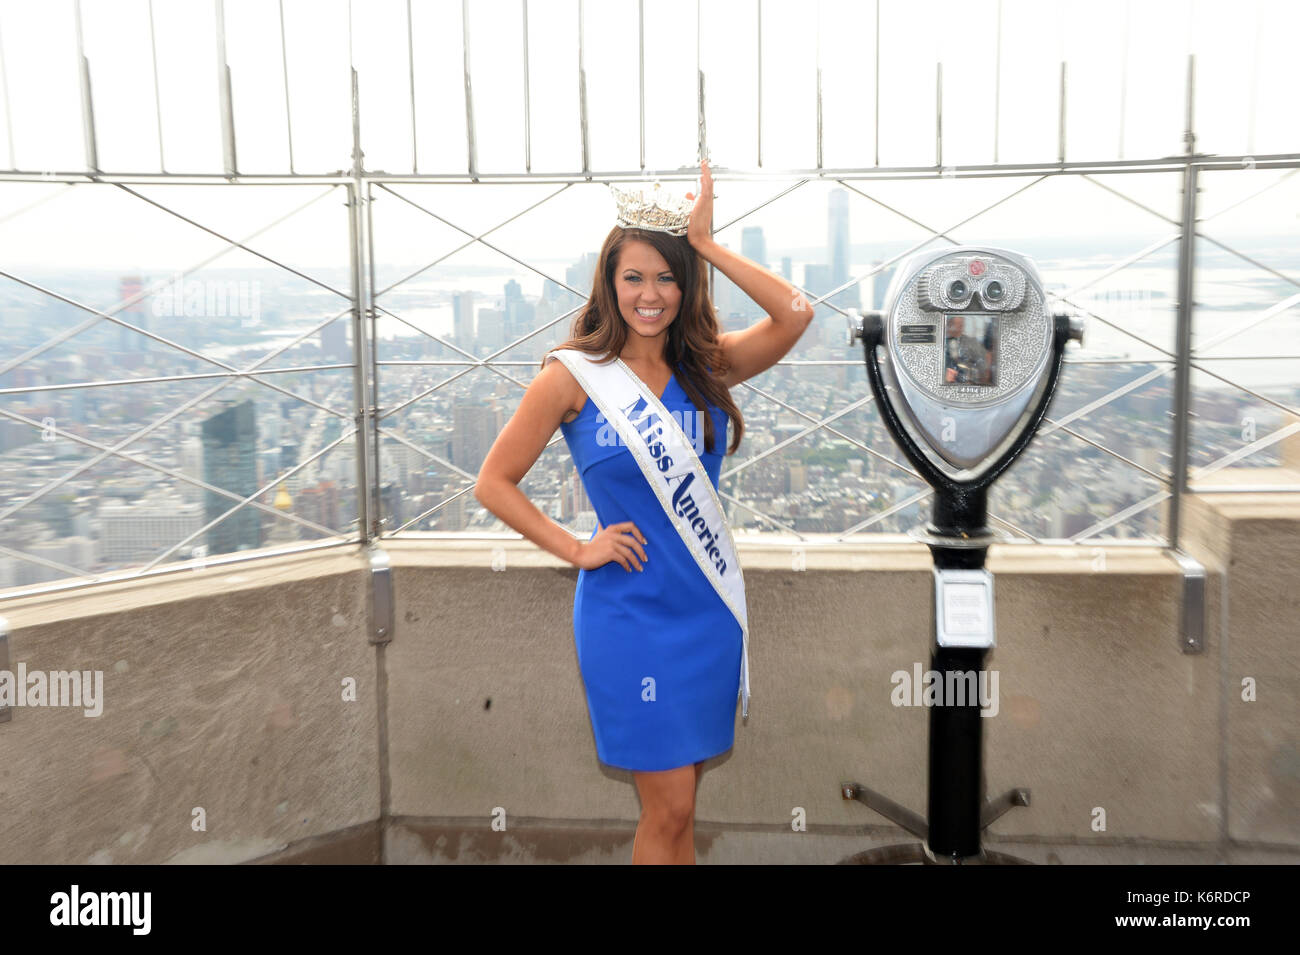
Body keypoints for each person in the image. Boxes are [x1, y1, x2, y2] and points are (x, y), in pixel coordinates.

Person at [474, 158, 814, 864]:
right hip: (627, 614)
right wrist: (576, 548)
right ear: (610, 283)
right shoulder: (571, 376)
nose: (650, 293)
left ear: (685, 285)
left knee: (680, 814)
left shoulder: (706, 366)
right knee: (671, 806)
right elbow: (494, 482)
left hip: (705, 609)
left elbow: (795, 314)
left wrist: (709, 245)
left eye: (667, 276)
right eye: (634, 276)